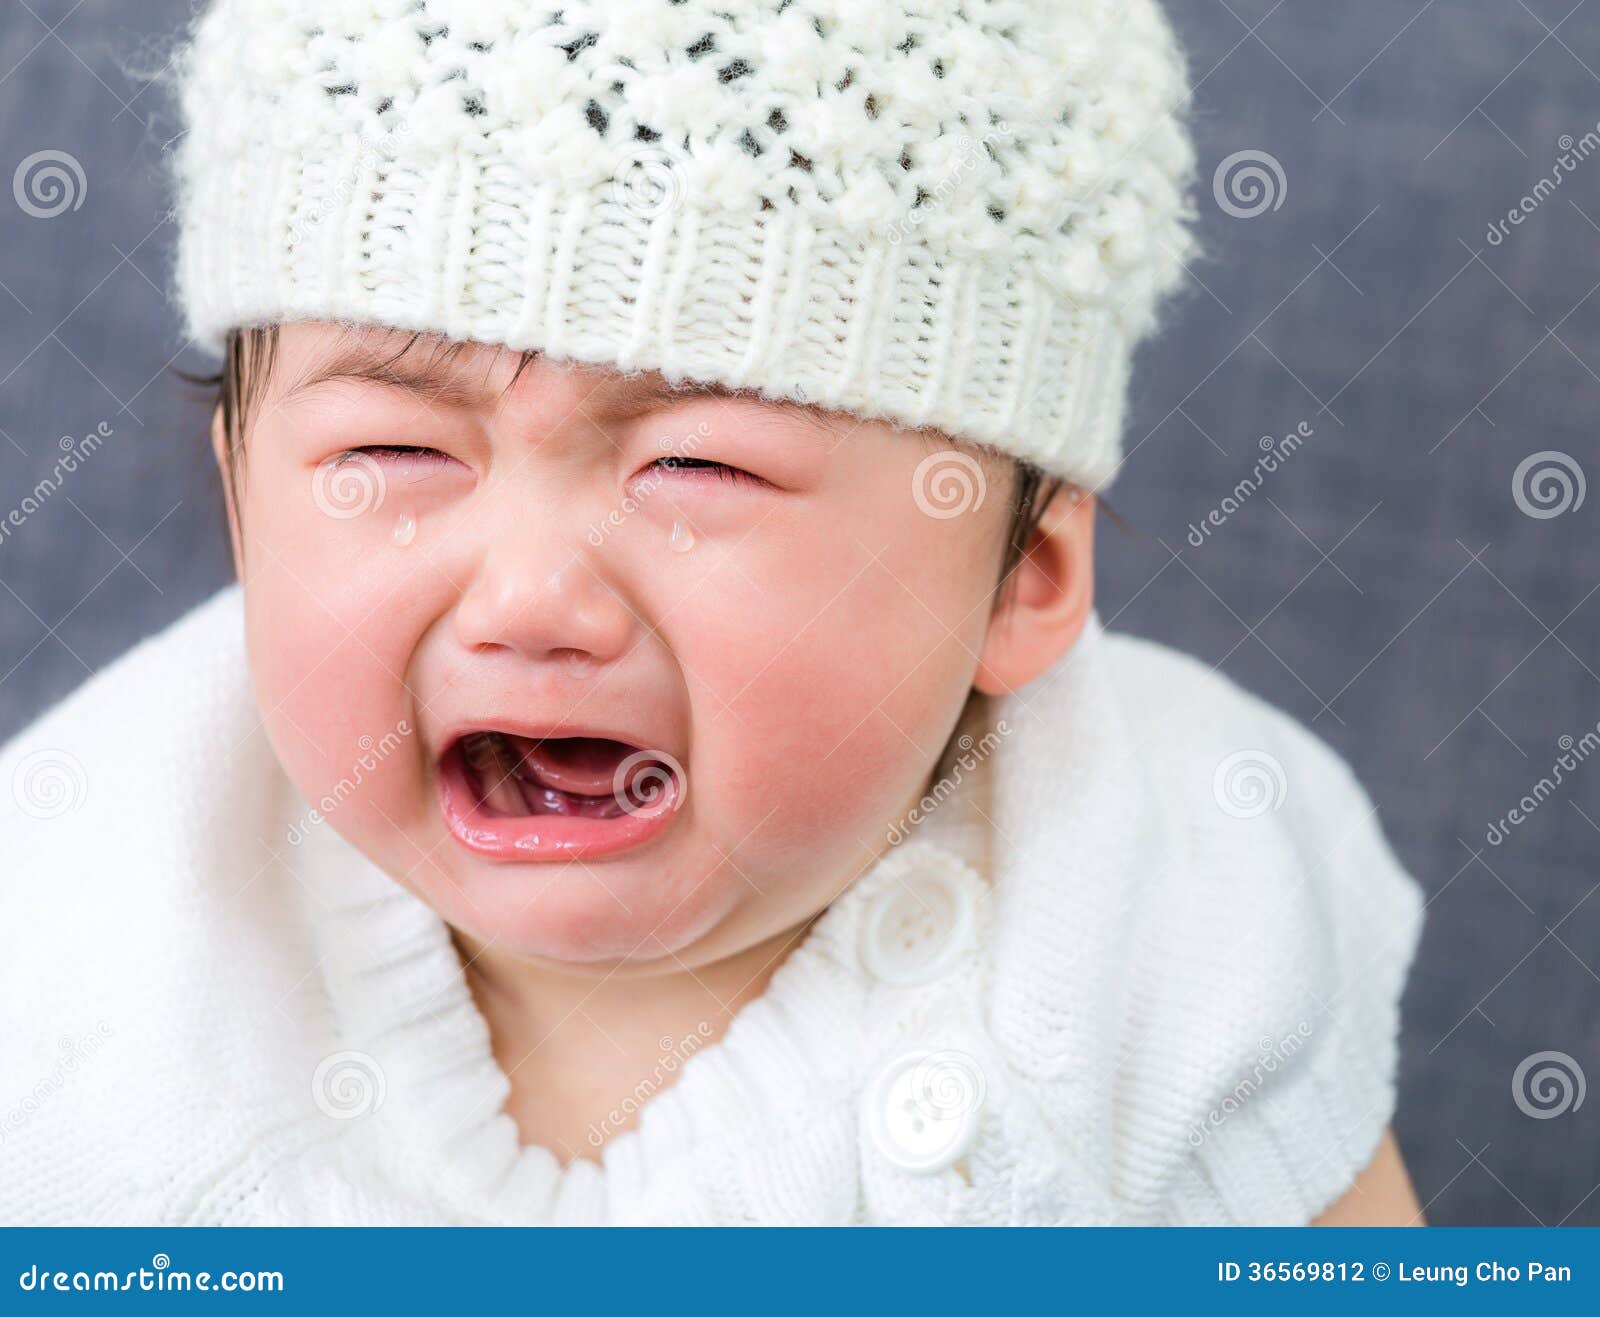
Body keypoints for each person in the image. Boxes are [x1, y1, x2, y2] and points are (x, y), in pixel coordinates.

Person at [0, 0, 1425, 1225]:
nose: (534, 598)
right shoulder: (81, 945)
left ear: (1026, 577)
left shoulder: (1186, 921)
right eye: (395, 453)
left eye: (698, 466)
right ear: (244, 503)